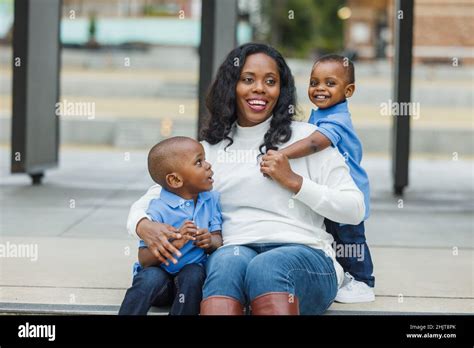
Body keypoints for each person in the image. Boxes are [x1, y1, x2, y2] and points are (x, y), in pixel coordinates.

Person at [127, 43, 365, 315]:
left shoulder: (308, 139)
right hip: (236, 251)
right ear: (232, 86)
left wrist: (295, 183)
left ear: (281, 90)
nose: (260, 89)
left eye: (271, 81)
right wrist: (142, 225)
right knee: (225, 262)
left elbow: (354, 209)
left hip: (305, 255)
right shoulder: (210, 150)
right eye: (248, 79)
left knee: (266, 266)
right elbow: (153, 197)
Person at [276, 54, 375, 303]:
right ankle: (346, 277)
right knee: (333, 236)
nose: (319, 88)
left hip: (347, 192)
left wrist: (281, 155)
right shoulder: (319, 114)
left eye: (330, 83)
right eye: (314, 82)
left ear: (348, 90)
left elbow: (313, 143)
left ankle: (364, 282)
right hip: (328, 191)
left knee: (351, 239)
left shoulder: (338, 119)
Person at [119, 136, 223, 315]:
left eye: (205, 159)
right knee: (150, 276)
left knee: (194, 273)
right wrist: (177, 242)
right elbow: (144, 259)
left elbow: (218, 239)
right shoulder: (158, 209)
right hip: (160, 285)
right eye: (199, 162)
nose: (208, 165)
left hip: (189, 284)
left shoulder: (211, 200)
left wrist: (209, 241)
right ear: (175, 180)